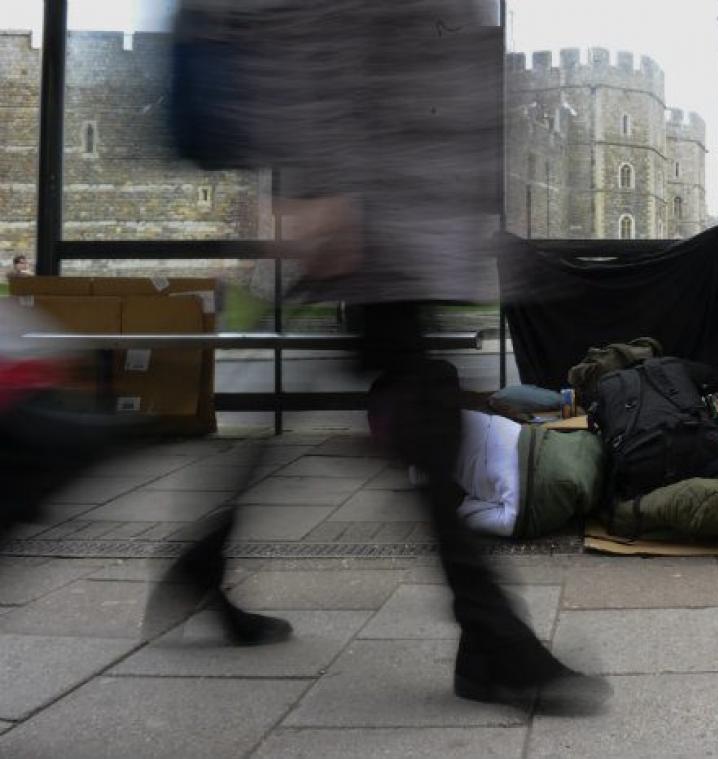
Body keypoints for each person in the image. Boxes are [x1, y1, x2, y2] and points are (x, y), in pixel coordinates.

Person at [164, 0, 609, 708]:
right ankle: (490, 641)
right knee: (425, 412)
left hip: (401, 200)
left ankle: (202, 557)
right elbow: (326, 26)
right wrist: (320, 184)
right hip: (373, 204)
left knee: (382, 399)